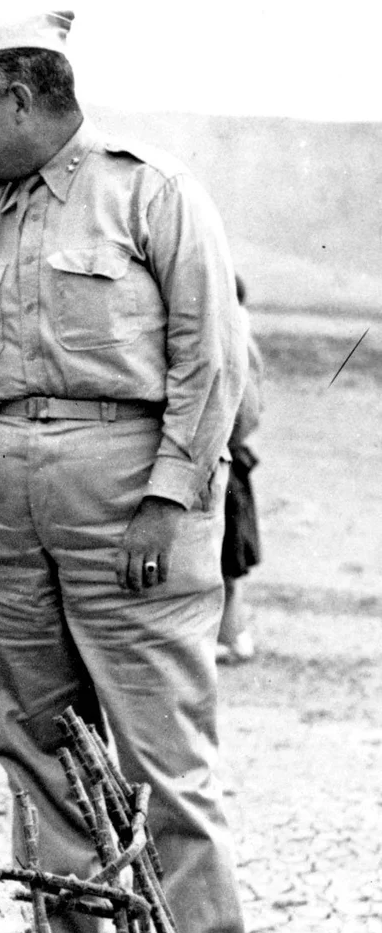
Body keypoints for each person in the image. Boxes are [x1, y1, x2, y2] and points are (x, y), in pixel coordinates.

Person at [0, 13, 250, 933]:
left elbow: (208, 361)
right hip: (1, 508)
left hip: (129, 499)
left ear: (21, 96)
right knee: (35, 749)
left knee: (160, 747)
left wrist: (167, 501)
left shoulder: (151, 192)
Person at [217, 275, 264, 664]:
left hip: (224, 460)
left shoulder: (232, 339)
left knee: (225, 560)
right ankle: (235, 634)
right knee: (228, 559)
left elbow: (244, 414)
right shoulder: (242, 338)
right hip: (233, 458)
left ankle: (234, 636)